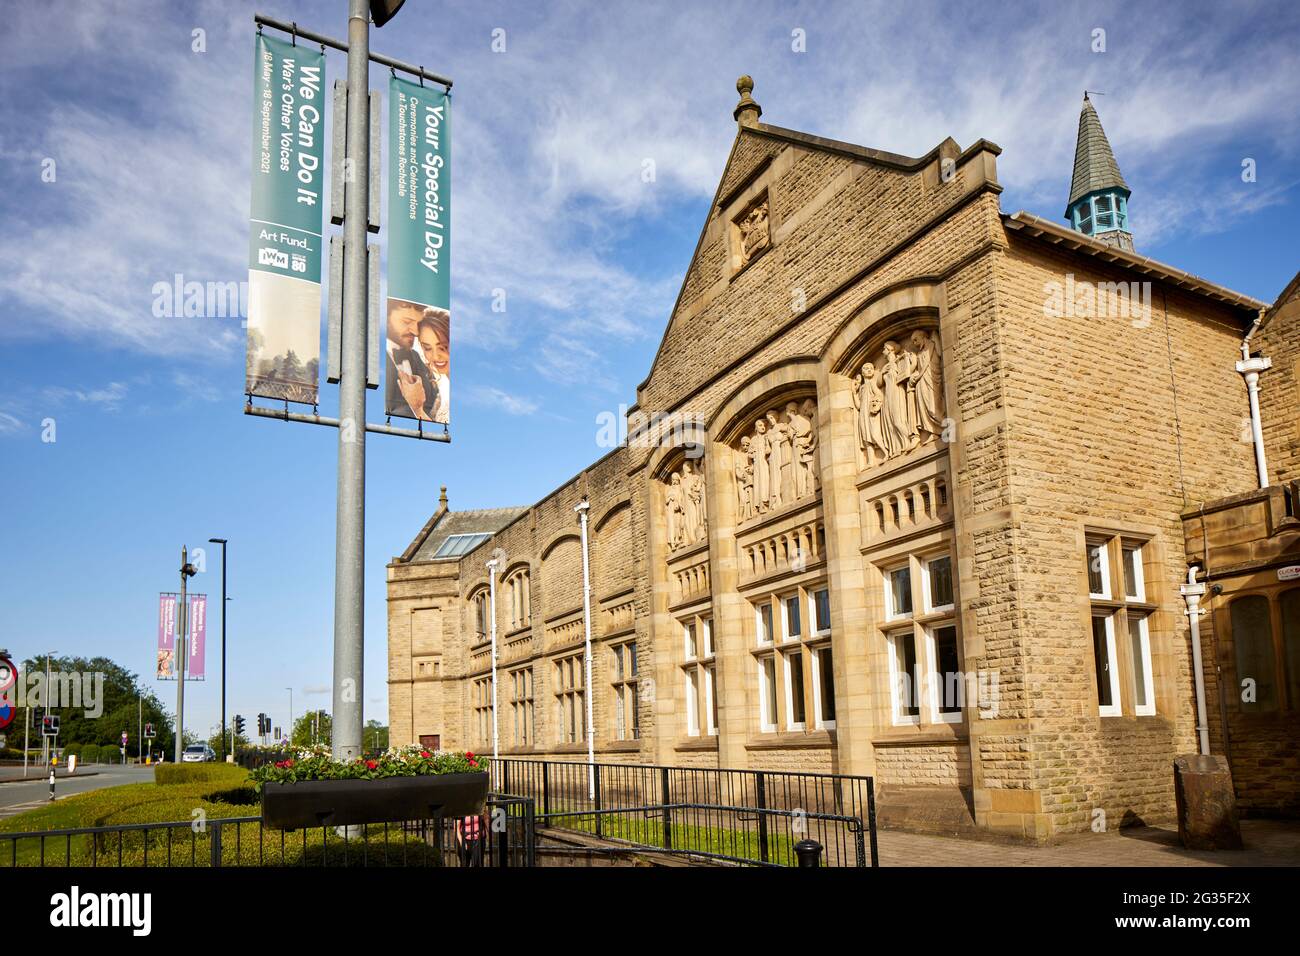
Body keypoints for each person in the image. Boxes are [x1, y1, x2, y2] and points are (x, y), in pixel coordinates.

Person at [385, 298, 439, 421]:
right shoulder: (372, 356)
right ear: (387, 317)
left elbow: (434, 402)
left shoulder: (418, 358)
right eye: (407, 321)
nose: (415, 331)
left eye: (418, 324)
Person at [416, 308, 451, 425]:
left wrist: (417, 408)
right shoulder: (441, 392)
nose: (436, 356)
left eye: (442, 347)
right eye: (427, 348)